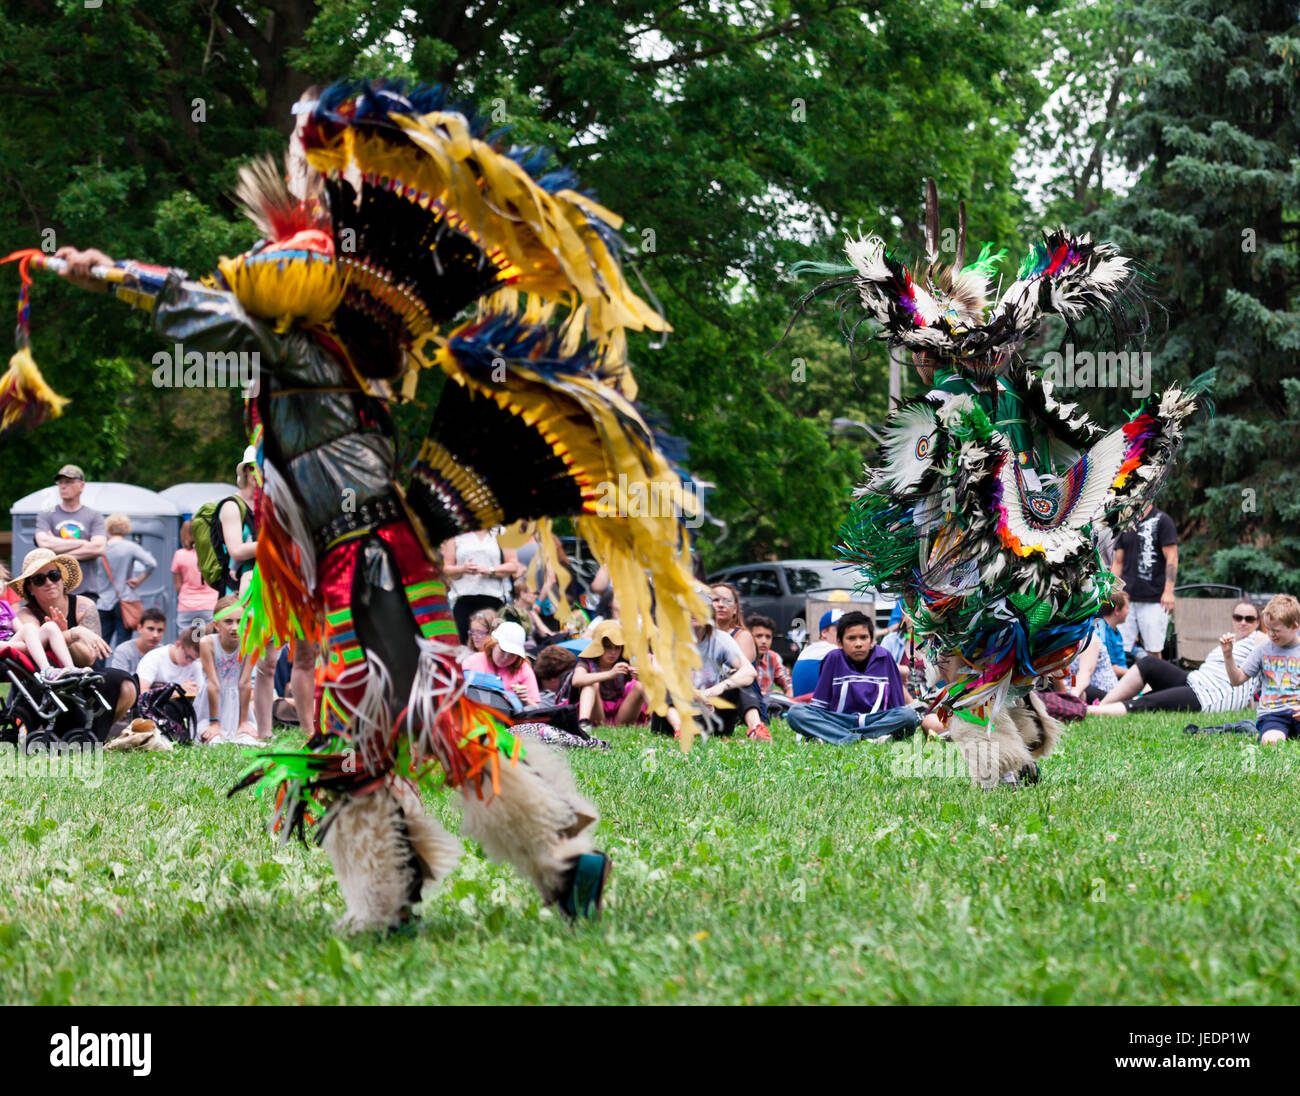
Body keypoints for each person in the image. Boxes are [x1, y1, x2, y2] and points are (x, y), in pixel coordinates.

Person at [9, 547, 135, 740]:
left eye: (54, 575)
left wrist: (64, 637)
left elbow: (88, 658)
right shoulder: (26, 615)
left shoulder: (84, 606)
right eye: (39, 579)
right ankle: (45, 732)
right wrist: (72, 633)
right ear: (30, 588)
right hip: (40, 683)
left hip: (80, 676)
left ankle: (100, 733)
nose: (49, 582)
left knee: (126, 684)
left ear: (62, 578)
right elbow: (28, 649)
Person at [1093, 600, 1263, 716]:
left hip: (1211, 695)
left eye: (1249, 619)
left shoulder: (1258, 639)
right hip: (1196, 679)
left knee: (1149, 701)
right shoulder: (1230, 637)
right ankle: (1102, 704)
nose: (1243, 622)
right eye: (1238, 617)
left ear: (1257, 622)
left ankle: (1091, 712)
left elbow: (1276, 641)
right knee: (1148, 663)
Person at [786, 611, 920, 744]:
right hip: (839, 721)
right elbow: (819, 708)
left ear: (872, 640)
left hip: (875, 720)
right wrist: (818, 724)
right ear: (839, 642)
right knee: (795, 712)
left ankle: (837, 738)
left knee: (908, 716)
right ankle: (863, 739)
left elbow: (897, 707)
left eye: (863, 637)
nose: (858, 644)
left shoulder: (885, 658)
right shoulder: (833, 658)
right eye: (851, 638)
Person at [652, 604, 771, 740]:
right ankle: (680, 730)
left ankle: (756, 729)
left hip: (712, 714)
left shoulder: (721, 639)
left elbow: (749, 671)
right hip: (674, 714)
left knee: (741, 678)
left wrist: (716, 689)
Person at [1220, 595, 1300, 746]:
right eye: (1267, 629)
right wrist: (1228, 655)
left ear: (1295, 627)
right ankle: (1269, 733)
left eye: (1276, 630)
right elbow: (1237, 680)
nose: (1270, 634)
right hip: (1273, 714)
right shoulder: (1263, 649)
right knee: (1272, 743)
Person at [1111, 503, 1178, 660]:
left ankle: (1154, 685)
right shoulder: (1125, 522)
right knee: (1119, 650)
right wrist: (1112, 592)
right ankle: (1123, 684)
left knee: (1153, 651)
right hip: (1126, 599)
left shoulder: (1163, 520)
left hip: (1154, 598)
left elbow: (1172, 559)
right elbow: (1118, 562)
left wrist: (1168, 592)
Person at [34, 464, 106, 604]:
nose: (63, 486)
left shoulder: (94, 515)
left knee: (85, 627)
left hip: (86, 591)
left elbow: (99, 548)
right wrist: (84, 543)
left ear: (81, 485)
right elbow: (44, 543)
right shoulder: (46, 514)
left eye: (68, 482)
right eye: (60, 482)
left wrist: (57, 553)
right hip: (53, 589)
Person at [442, 528, 523, 643]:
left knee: (492, 642)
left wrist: (490, 570)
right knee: (465, 642)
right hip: (463, 598)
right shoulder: (455, 535)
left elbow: (513, 565)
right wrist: (463, 568)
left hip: (493, 598)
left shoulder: (501, 531)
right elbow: (446, 568)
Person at [200, 595, 258, 745]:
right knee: (214, 740)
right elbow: (213, 684)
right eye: (228, 621)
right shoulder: (207, 643)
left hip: (238, 703)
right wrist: (214, 723)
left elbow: (245, 683)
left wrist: (243, 722)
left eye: (240, 621)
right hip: (212, 703)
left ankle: (242, 726)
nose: (235, 628)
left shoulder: (250, 643)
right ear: (216, 625)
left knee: (246, 740)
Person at [572, 620, 646, 729]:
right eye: (607, 647)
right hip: (596, 713)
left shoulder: (624, 661)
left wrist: (640, 677)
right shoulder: (586, 663)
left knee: (641, 685)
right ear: (598, 646)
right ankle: (583, 724)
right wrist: (610, 674)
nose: (613, 652)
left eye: (617, 647)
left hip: (621, 715)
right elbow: (576, 680)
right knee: (591, 684)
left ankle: (661, 718)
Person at [98, 513, 157, 648]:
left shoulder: (100, 548)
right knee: (123, 643)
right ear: (126, 528)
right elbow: (151, 563)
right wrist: (139, 580)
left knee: (101, 643)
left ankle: (98, 669)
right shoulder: (130, 547)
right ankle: (121, 668)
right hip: (125, 600)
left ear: (108, 528)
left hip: (102, 601)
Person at [462, 621, 540, 705]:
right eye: (503, 650)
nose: (506, 657)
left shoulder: (524, 669)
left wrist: (525, 700)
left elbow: (536, 709)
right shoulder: (472, 662)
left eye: (513, 654)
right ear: (493, 644)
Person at [172, 518, 218, 639]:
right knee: (208, 639)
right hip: (210, 604)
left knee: (185, 640)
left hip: (187, 605)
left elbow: (177, 585)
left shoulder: (179, 554)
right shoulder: (211, 553)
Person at [790, 609, 843, 697]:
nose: (843, 634)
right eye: (839, 629)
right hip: (819, 709)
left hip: (800, 707)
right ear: (824, 632)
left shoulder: (808, 650)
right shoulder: (834, 651)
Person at [747, 614, 791, 714]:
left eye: (768, 637)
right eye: (759, 636)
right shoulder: (741, 657)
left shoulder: (773, 657)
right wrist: (767, 694)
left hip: (769, 702)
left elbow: (787, 683)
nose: (764, 641)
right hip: (749, 704)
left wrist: (788, 697)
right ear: (748, 637)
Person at [109, 607, 167, 675]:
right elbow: (120, 681)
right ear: (139, 628)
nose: (155, 635)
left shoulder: (164, 653)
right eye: (150, 629)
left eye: (160, 630)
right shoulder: (124, 651)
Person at [710, 583, 756, 662]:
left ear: (735, 609)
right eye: (715, 600)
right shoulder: (701, 635)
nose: (721, 605)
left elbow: (742, 671)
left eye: (727, 601)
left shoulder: (743, 636)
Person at [1098, 590, 1129, 672]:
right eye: (1127, 608)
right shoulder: (1103, 632)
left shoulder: (1115, 630)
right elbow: (1111, 668)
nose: (1128, 612)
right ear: (1117, 610)